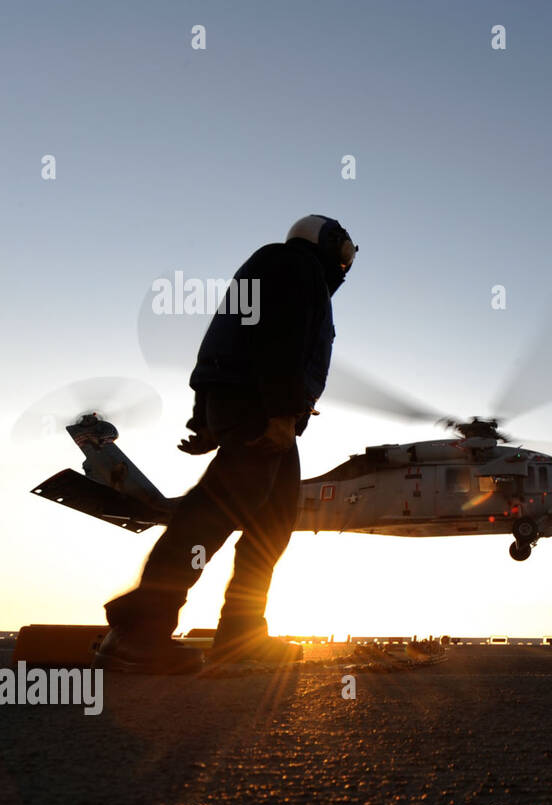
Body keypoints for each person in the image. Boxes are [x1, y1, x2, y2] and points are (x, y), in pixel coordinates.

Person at [97, 215, 357, 674]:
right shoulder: (296, 266)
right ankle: (138, 634)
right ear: (329, 242)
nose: (349, 259)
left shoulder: (277, 265)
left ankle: (242, 634)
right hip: (262, 407)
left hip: (250, 404)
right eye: (348, 248)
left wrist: (207, 418)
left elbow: (225, 338)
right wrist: (278, 412)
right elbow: (280, 340)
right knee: (214, 512)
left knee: (273, 524)